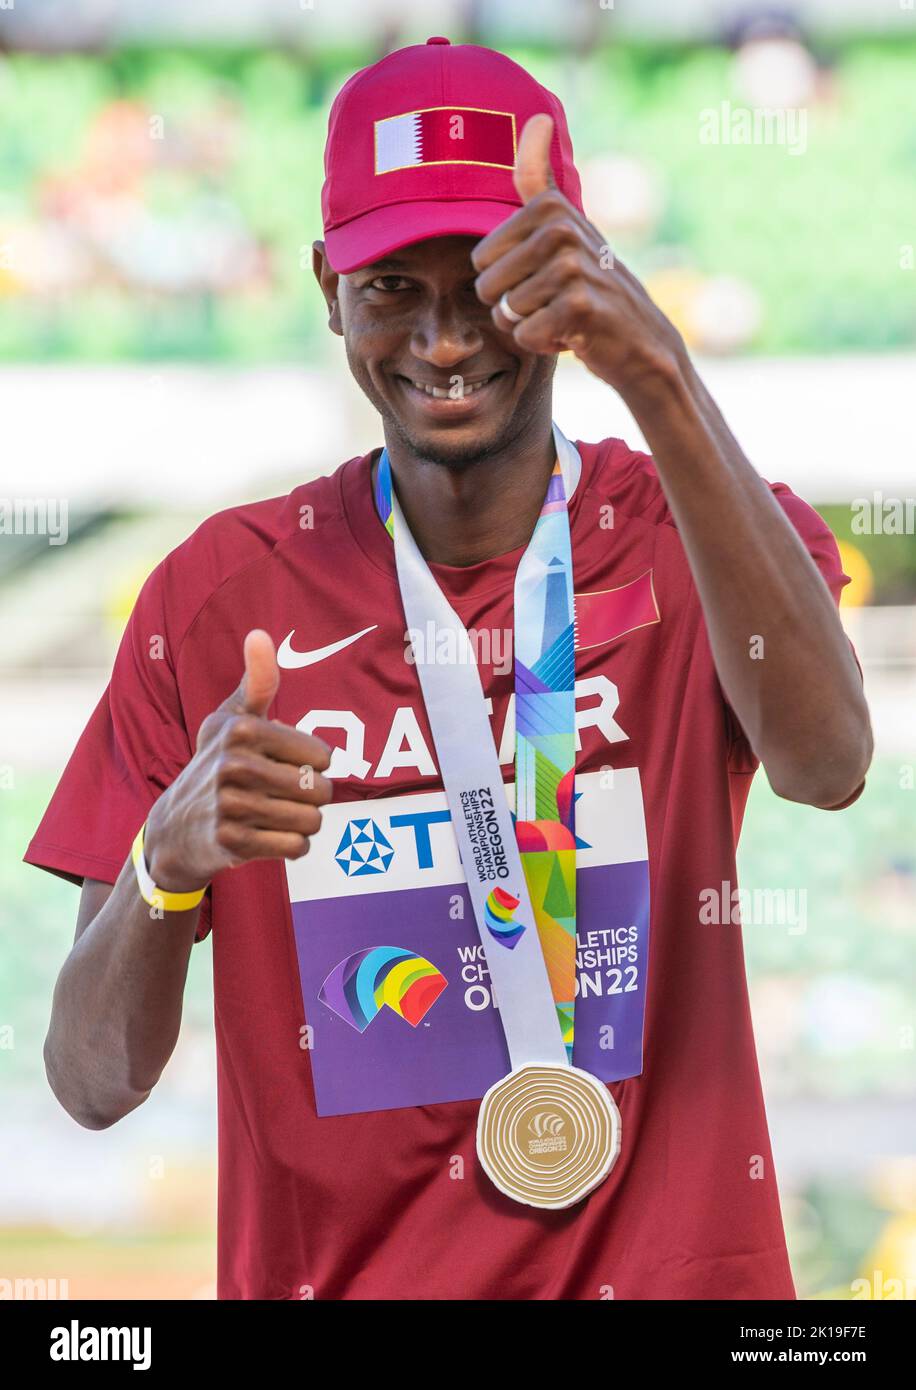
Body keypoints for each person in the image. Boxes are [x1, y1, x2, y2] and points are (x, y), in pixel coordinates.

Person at [29, 37, 871, 1300]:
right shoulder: (216, 602)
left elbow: (830, 763)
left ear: (573, 270)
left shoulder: (707, 535)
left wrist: (653, 367)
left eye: (486, 282)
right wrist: (165, 862)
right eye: (391, 288)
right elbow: (92, 1082)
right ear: (326, 289)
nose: (443, 338)